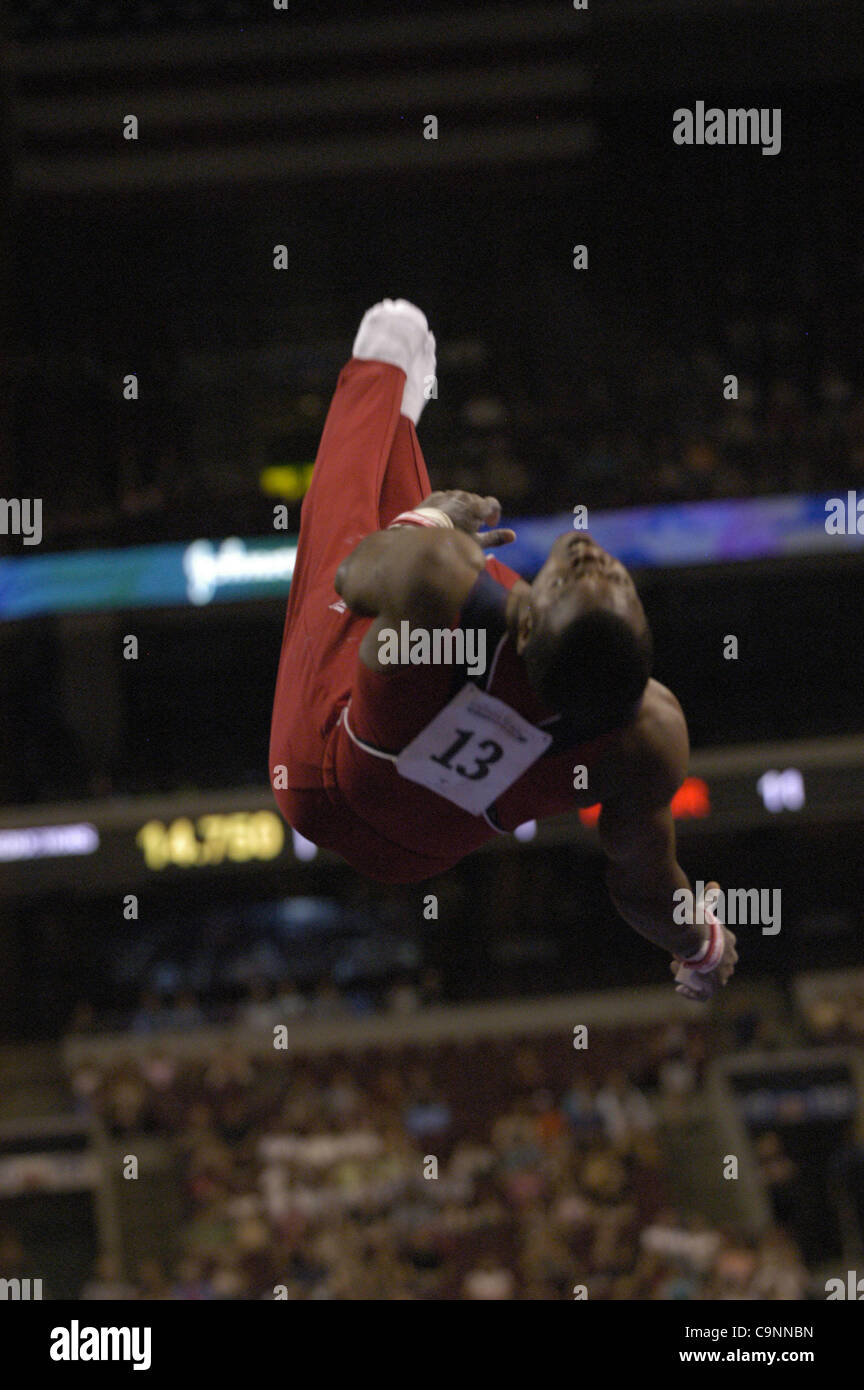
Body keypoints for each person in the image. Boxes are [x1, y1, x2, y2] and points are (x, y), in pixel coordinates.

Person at [269, 300, 736, 1000]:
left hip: (319, 777)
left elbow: (347, 575)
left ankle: (379, 370)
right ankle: (402, 414)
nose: (591, 557)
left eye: (578, 577)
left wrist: (428, 523)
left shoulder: (450, 583)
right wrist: (699, 944)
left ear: (526, 623)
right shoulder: (650, 735)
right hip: (425, 851)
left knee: (346, 533)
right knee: (430, 580)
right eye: (614, 581)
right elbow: (642, 881)